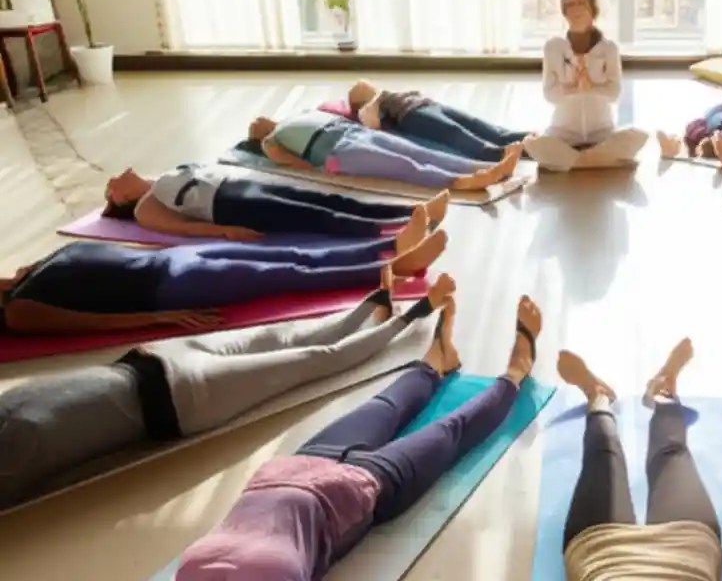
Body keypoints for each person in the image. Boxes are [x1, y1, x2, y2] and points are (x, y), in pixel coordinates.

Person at [0, 275, 455, 511]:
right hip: (186, 397)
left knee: (289, 337)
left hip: (153, 358)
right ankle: (411, 315)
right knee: (315, 361)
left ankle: (370, 305)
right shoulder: (18, 445)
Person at [175, 293, 541, 580]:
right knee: (451, 432)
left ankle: (436, 362)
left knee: (385, 406)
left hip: (292, 469)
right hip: (358, 493)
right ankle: (515, 371)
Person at [0, 216, 445, 335]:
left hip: (175, 259)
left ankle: (389, 245)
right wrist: (157, 319)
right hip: (170, 287)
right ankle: (391, 269)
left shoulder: (23, 277)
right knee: (288, 272)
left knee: (284, 251)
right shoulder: (20, 311)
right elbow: (92, 323)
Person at [556, 340, 722, 580]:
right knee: (672, 452)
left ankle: (597, 395)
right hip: (688, 552)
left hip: (602, 554)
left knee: (602, 456)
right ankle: (664, 389)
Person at [101, 165, 449, 241]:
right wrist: (226, 232)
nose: (116, 176)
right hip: (231, 207)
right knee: (315, 215)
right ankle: (392, 233)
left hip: (238, 187)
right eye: (110, 186)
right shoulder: (144, 208)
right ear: (120, 198)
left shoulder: (157, 177)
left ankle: (410, 211)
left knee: (328, 197)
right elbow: (184, 227)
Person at [524, 0, 648, 171]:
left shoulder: (609, 48)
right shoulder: (553, 47)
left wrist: (590, 86)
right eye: (569, 5)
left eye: (580, 2)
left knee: (637, 135)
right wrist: (570, 88)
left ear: (592, 8)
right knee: (534, 143)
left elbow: (614, 93)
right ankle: (595, 159)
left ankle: (574, 161)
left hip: (601, 132)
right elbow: (549, 95)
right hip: (563, 133)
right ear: (564, 12)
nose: (575, 9)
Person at [248, 110, 520, 190]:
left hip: (355, 132)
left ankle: (486, 169)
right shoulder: (270, 139)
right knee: (403, 166)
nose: (257, 121)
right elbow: (286, 159)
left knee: (420, 152)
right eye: (254, 126)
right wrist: (318, 167)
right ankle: (461, 182)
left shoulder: (299, 113)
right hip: (337, 152)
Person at [345, 79, 531, 164]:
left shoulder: (386, 93)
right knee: (455, 133)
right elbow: (374, 125)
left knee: (477, 124)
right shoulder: (370, 105)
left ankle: (529, 138)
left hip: (431, 105)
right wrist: (371, 106)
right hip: (412, 115)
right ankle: (499, 153)